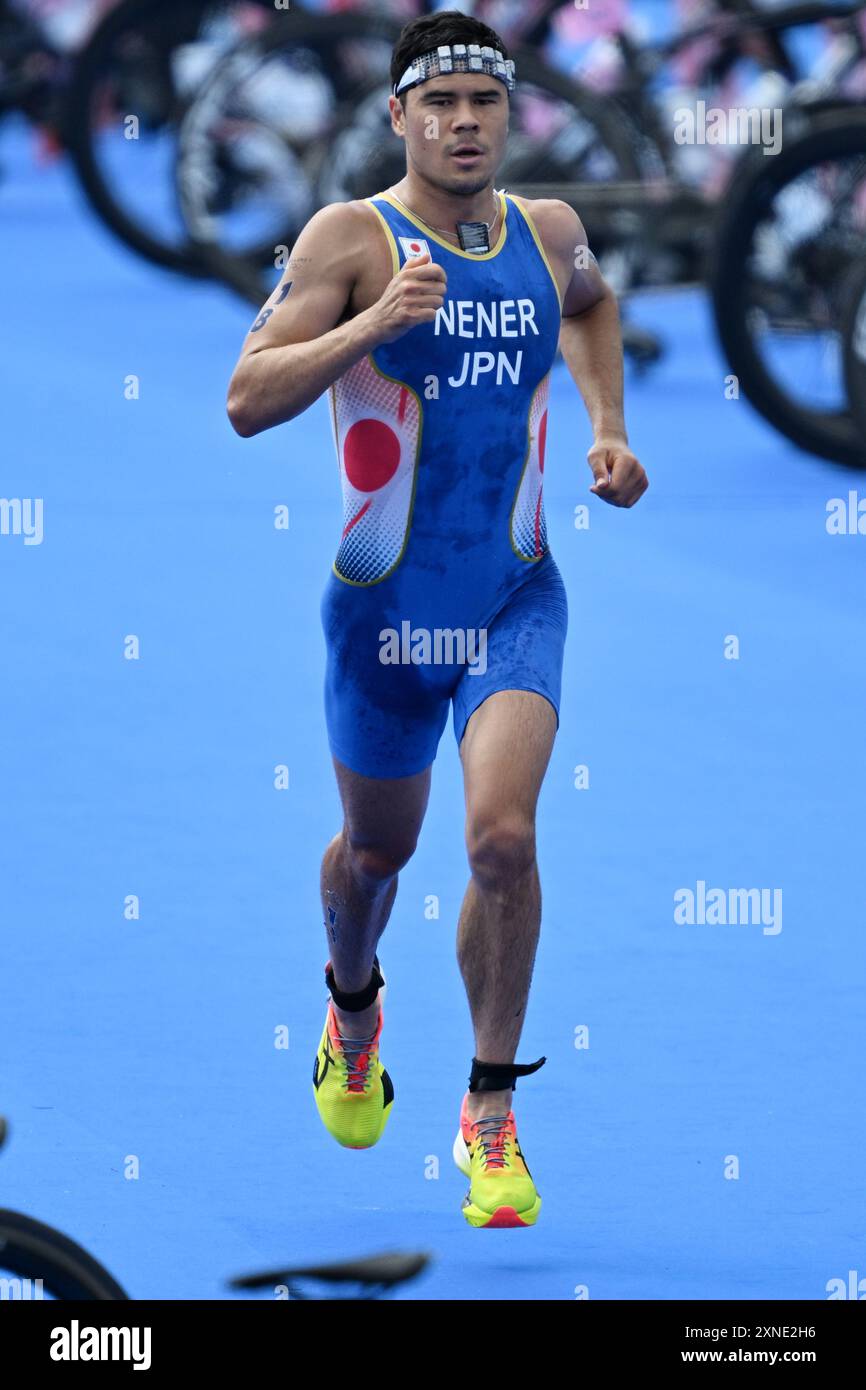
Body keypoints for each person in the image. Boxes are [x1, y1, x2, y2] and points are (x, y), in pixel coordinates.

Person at [226, 7, 648, 1229]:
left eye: (485, 103)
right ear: (399, 117)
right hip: (383, 615)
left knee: (502, 841)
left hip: (517, 589)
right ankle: (351, 1007)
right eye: (440, 104)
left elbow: (591, 304)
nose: (464, 124)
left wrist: (608, 428)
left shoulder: (545, 228)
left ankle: (489, 1112)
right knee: (375, 858)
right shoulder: (348, 239)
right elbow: (248, 398)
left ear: (507, 116)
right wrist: (372, 324)